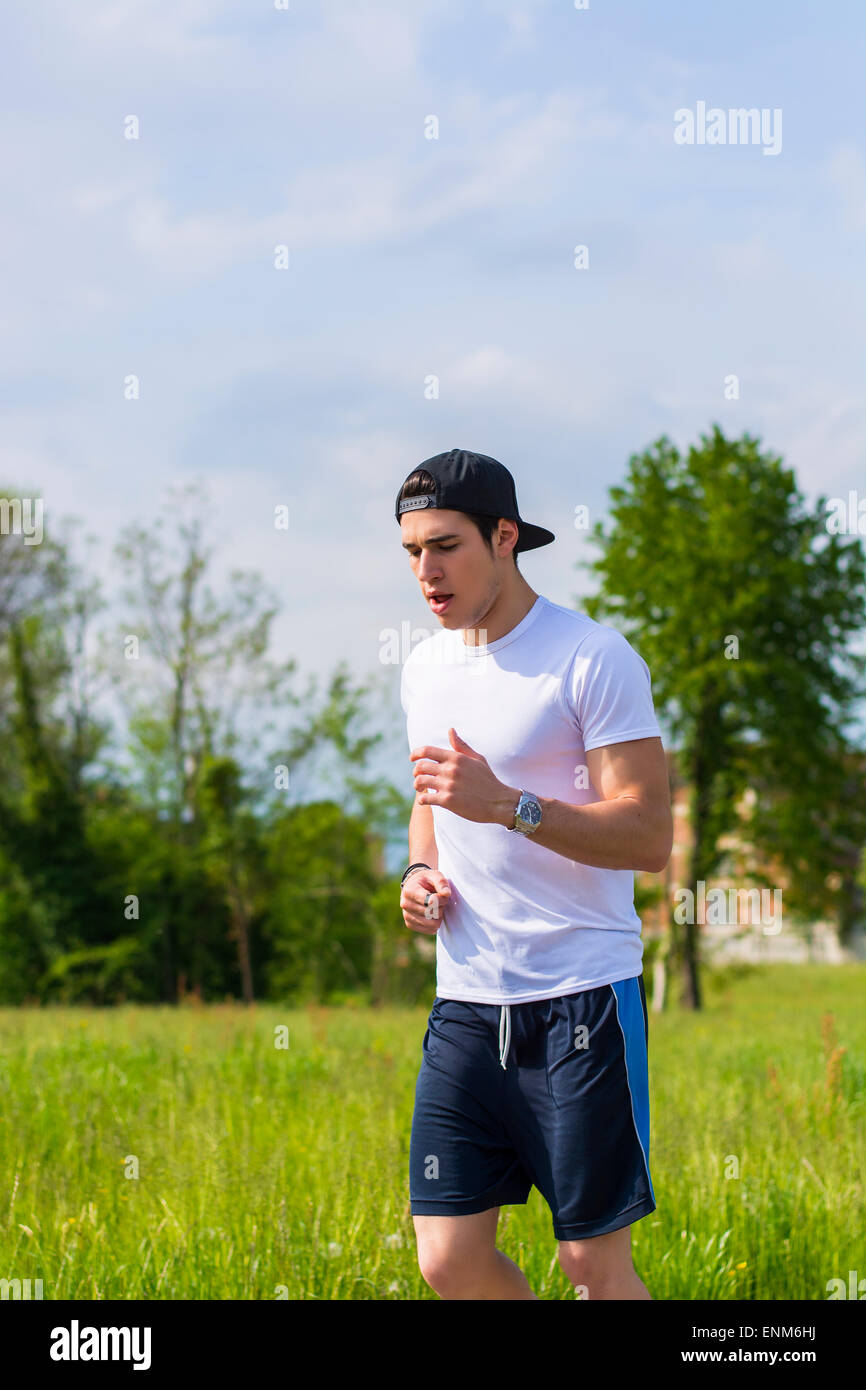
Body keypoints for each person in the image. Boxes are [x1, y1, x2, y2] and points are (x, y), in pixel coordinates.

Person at [396, 448, 673, 1301]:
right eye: (411, 552)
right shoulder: (424, 667)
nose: (426, 572)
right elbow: (432, 804)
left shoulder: (591, 658)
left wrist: (510, 805)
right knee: (446, 1257)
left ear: (505, 536)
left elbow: (648, 834)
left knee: (591, 1264)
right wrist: (418, 869)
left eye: (446, 546)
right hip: (468, 1004)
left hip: (582, 1000)